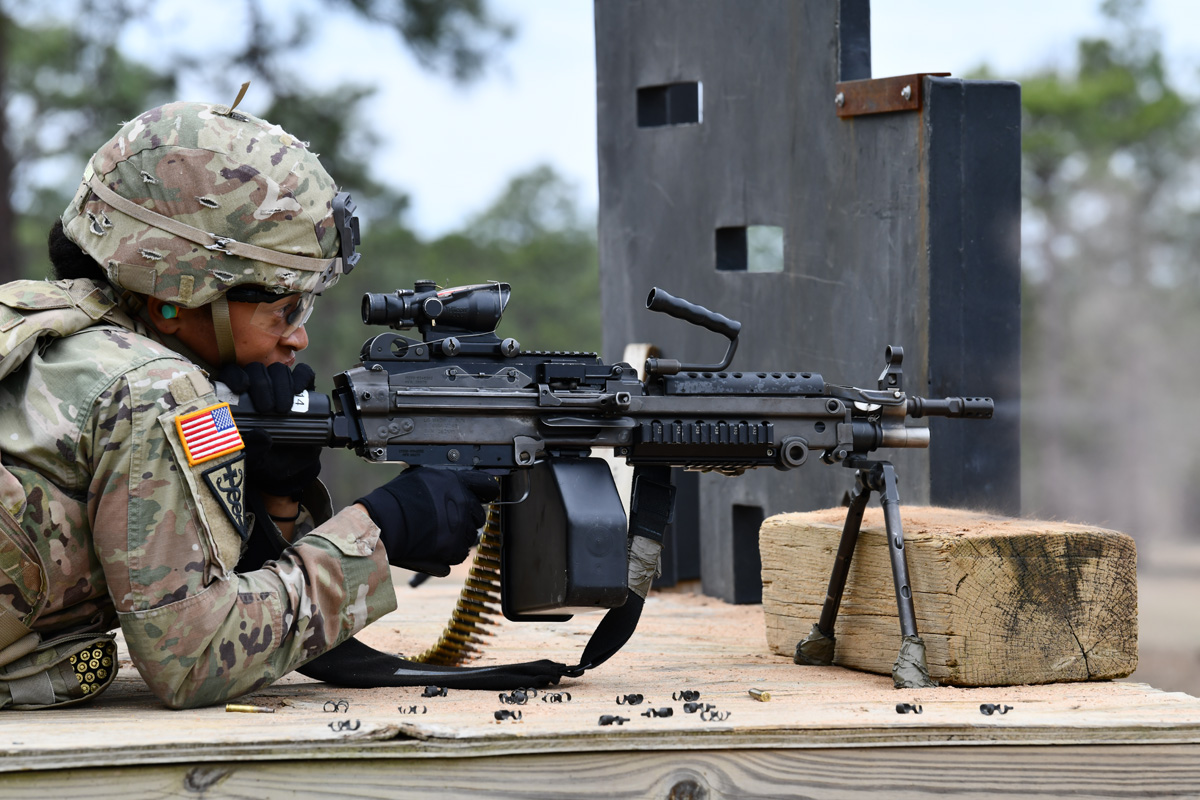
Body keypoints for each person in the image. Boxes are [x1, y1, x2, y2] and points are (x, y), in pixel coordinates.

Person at [0, 99, 496, 709]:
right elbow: (196, 658)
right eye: (285, 307)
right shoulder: (154, 388)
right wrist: (380, 530)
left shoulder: (31, 324)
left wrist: (273, 500)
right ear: (174, 300)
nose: (298, 338)